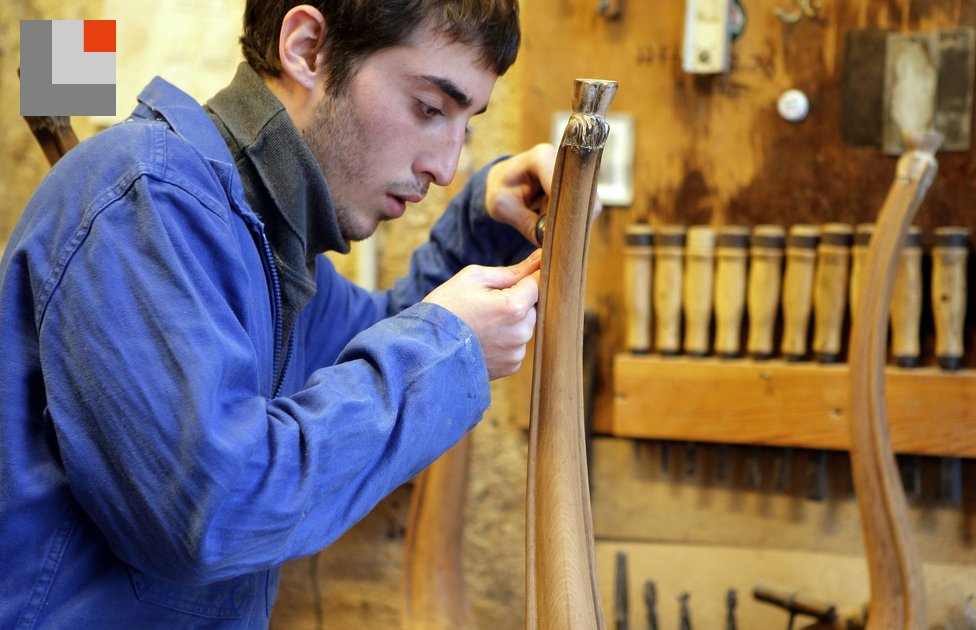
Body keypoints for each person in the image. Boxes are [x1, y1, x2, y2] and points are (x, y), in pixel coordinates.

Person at [0, 1, 559, 626]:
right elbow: (214, 511)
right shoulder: (145, 201)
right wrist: (446, 346)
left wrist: (483, 222)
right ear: (307, 48)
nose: (445, 166)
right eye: (429, 109)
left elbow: (385, 334)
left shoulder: (266, 244)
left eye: (466, 125)